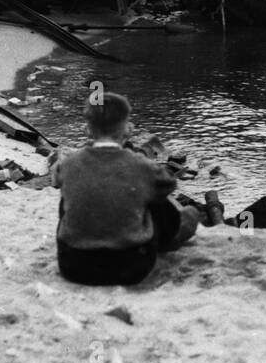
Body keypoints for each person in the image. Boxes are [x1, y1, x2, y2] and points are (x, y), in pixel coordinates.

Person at [55, 93, 200, 285]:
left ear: (87, 129)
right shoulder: (139, 165)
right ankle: (169, 240)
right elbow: (169, 184)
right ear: (127, 129)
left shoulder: (69, 163)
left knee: (70, 197)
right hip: (131, 267)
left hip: (73, 266)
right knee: (167, 203)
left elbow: (57, 182)